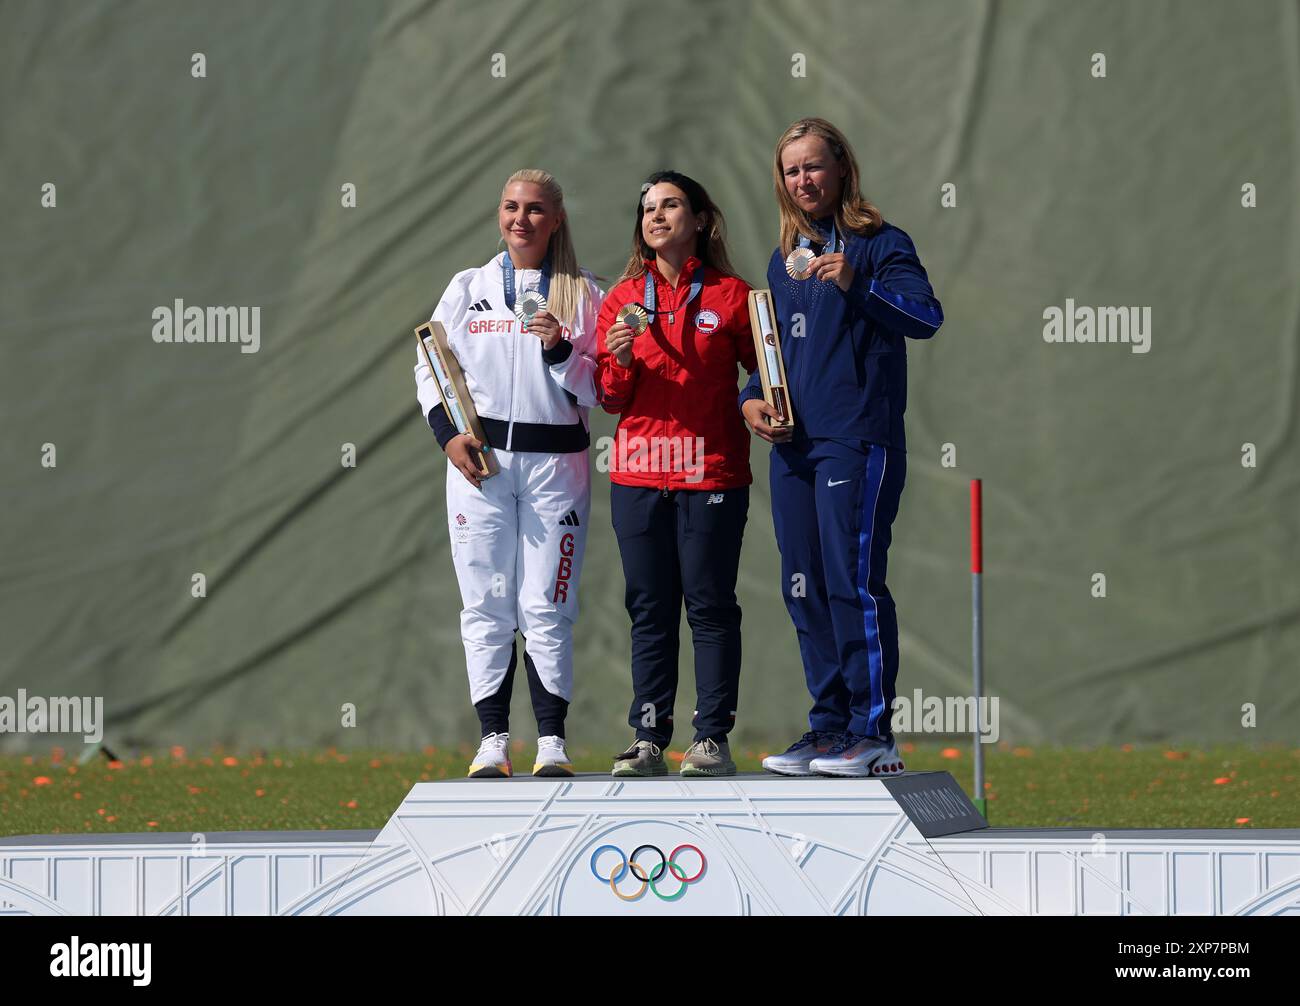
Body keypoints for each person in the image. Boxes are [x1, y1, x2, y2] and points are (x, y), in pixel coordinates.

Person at [740, 118, 943, 778]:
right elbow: (774, 350)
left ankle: (872, 732)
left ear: (841, 171)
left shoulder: (879, 244)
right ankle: (828, 728)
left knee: (850, 580)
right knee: (803, 586)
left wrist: (857, 282)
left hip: (856, 438)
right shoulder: (785, 257)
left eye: (814, 166)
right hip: (793, 447)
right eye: (792, 169)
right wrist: (750, 399)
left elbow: (925, 317)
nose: (804, 179)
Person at [414, 168, 603, 778]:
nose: (521, 220)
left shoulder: (583, 294)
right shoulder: (469, 286)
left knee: (548, 603)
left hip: (558, 464)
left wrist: (557, 348)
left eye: (535, 210)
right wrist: (449, 437)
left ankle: (552, 743)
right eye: (511, 208)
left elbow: (600, 388)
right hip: (482, 464)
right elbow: (430, 364)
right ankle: (492, 741)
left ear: (557, 219)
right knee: (485, 603)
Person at [595, 170, 757, 777]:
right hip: (638, 475)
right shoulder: (622, 300)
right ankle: (648, 738)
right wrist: (618, 357)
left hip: (711, 474)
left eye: (670, 205)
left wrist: (754, 399)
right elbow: (612, 399)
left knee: (710, 604)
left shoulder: (732, 296)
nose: (657, 216)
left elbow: (762, 371)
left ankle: (711, 738)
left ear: (701, 219)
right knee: (649, 607)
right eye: (647, 210)